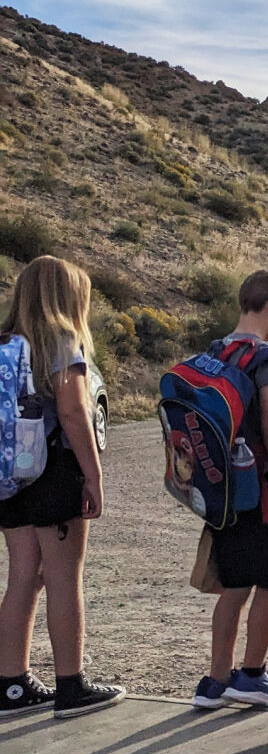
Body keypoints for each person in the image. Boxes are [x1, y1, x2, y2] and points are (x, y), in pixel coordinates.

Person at [0, 256, 123, 718]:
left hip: (9, 477)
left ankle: (11, 685)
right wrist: (92, 475)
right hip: (52, 473)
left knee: (22, 578)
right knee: (63, 579)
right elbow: (73, 413)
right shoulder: (61, 340)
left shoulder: (5, 341)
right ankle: (71, 685)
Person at [190, 270, 268, 710]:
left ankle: (215, 681)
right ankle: (253, 674)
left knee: (234, 586)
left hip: (223, 491)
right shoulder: (265, 359)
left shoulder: (215, 352)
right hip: (260, 488)